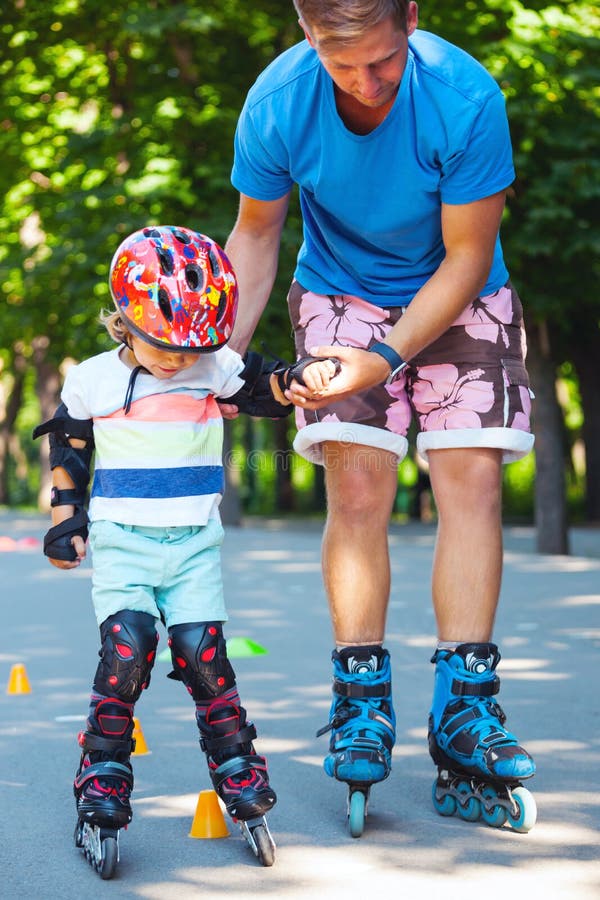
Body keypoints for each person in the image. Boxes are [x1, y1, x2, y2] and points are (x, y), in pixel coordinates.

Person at [223, 0, 537, 830]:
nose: (366, 83)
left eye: (384, 60)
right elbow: (255, 236)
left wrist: (388, 355)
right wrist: (216, 360)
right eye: (342, 66)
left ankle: (467, 706)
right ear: (307, 35)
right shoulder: (278, 103)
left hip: (460, 291)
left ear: (412, 17)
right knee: (358, 488)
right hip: (339, 292)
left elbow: (468, 255)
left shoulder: (464, 98)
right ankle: (361, 698)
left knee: (471, 482)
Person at [33, 225, 338, 852]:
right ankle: (101, 774)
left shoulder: (210, 365)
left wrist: (298, 378)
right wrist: (66, 520)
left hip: (195, 543)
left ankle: (238, 769)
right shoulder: (93, 379)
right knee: (127, 653)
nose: (177, 360)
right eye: (163, 345)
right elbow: (70, 447)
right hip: (123, 541)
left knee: (204, 657)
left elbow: (263, 386)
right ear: (125, 320)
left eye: (191, 347)